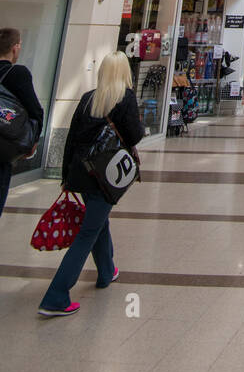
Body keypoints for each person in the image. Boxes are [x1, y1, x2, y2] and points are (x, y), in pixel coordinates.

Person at [38, 51, 144, 316]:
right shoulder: (125, 98)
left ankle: (107, 270)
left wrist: (66, 177)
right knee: (88, 232)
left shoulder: (88, 99)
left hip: (82, 174)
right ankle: (56, 296)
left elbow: (71, 140)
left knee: (99, 221)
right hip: (105, 175)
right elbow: (135, 135)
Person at [0, 27, 43, 217]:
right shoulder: (18, 73)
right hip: (2, 151)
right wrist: (32, 141)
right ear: (15, 48)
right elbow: (36, 111)